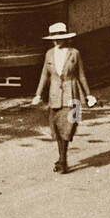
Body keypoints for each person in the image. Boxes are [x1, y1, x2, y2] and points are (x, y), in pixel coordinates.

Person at [30, 22, 97, 174]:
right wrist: (38, 94)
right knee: (57, 128)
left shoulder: (74, 53)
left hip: (72, 94)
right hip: (54, 95)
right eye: (54, 38)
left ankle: (62, 159)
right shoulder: (49, 54)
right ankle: (62, 159)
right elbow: (44, 75)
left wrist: (89, 95)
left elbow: (81, 75)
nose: (57, 40)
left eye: (60, 37)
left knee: (68, 126)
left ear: (66, 38)